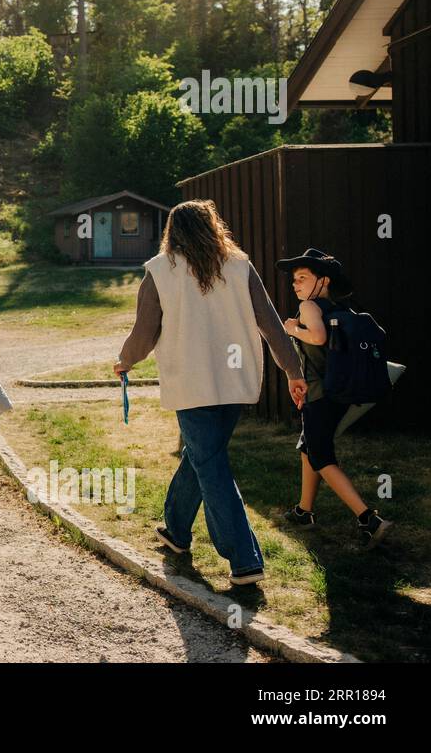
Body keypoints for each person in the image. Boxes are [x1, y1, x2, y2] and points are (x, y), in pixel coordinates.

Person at [114, 200, 306, 586]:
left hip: (191, 385)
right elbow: (270, 323)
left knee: (211, 464)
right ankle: (175, 531)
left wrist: (125, 360)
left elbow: (145, 332)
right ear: (213, 226)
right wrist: (293, 370)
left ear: (173, 232)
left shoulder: (159, 272)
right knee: (203, 457)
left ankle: (244, 558)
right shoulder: (239, 266)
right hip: (234, 383)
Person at [276, 248, 393, 546]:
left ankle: (368, 518)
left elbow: (317, 338)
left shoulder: (310, 307)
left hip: (320, 396)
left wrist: (292, 328)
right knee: (309, 446)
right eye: (294, 279)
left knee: (321, 455)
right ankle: (304, 510)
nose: (296, 284)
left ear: (323, 280)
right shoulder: (342, 309)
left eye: (303, 277)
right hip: (338, 393)